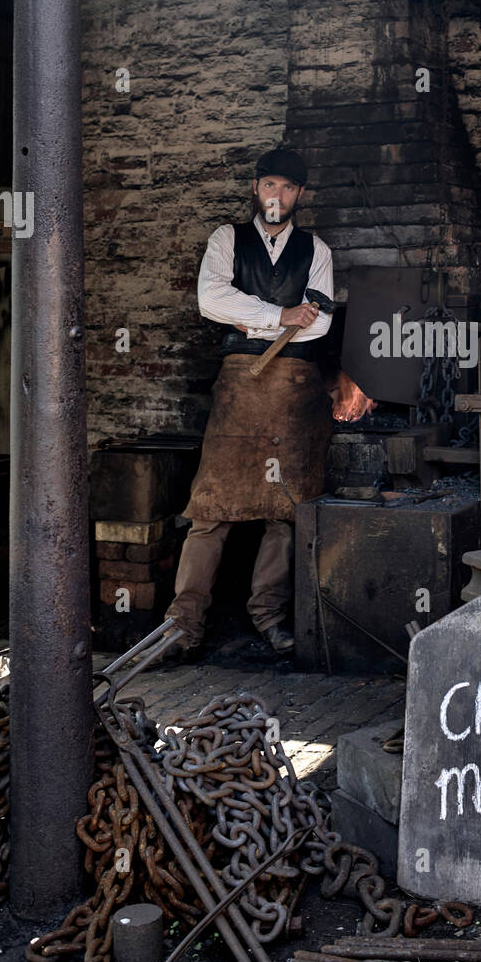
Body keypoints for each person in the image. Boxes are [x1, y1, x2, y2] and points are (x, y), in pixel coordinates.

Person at [165, 145, 334, 656]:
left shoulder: (317, 250)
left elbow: (320, 322)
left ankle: (268, 616)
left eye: (286, 187)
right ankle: (183, 624)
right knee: (210, 509)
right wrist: (279, 316)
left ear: (300, 194)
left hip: (294, 390)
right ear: (255, 190)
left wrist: (249, 317)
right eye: (268, 185)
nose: (276, 195)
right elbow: (210, 300)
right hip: (240, 384)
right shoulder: (227, 239)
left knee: (282, 512)